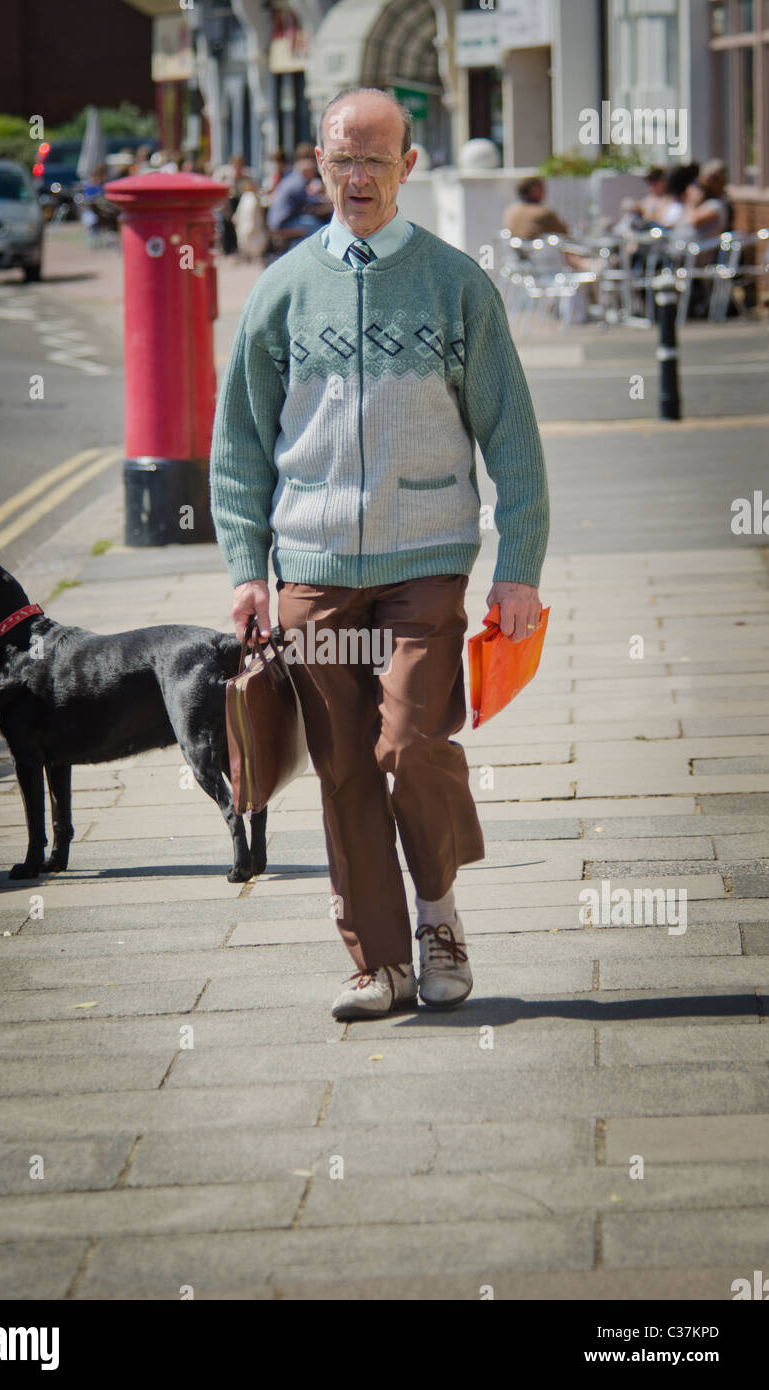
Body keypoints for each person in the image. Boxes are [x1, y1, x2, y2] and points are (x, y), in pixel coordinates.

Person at [210, 86, 549, 1022]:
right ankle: (379, 965)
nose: (356, 176)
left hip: (425, 561)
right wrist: (246, 565)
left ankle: (438, 913)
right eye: (339, 158)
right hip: (311, 574)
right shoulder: (279, 290)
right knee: (343, 768)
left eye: (375, 158)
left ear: (408, 165)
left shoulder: (454, 284)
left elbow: (511, 438)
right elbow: (237, 442)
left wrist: (517, 566)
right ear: (317, 163)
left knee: (409, 745)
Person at [265, 141, 331, 236]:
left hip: (275, 222)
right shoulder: (298, 183)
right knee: (319, 228)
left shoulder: (291, 178)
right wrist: (327, 204)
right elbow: (309, 206)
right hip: (282, 224)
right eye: (312, 171)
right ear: (306, 172)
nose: (314, 174)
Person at [503, 176, 569, 240]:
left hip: (513, 250)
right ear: (534, 191)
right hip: (537, 250)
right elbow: (564, 234)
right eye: (542, 189)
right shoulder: (543, 213)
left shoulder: (511, 210)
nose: (545, 192)